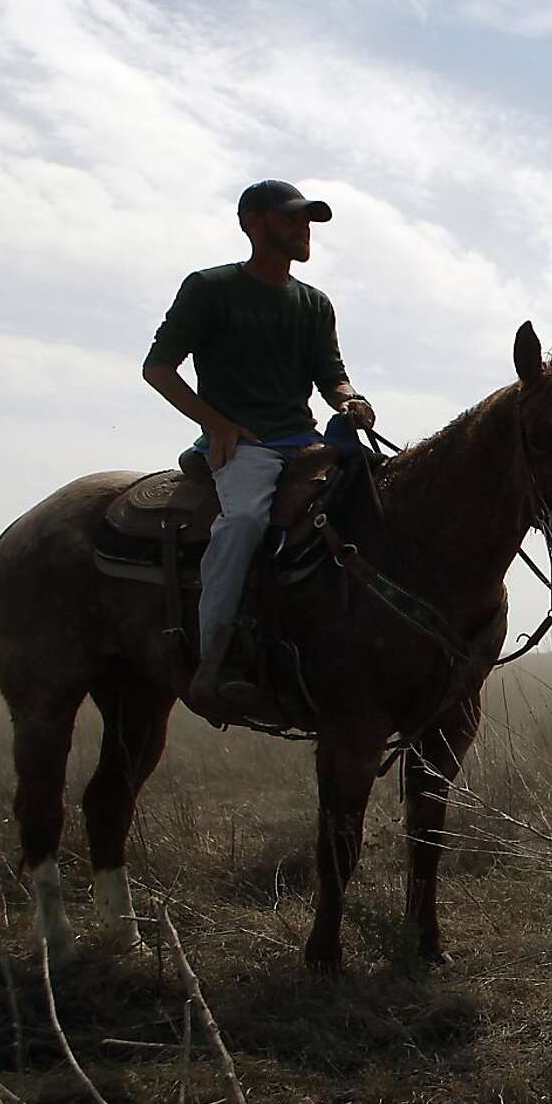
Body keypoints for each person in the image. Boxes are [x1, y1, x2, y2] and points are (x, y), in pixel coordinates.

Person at [143, 180, 377, 716]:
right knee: (244, 521)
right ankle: (216, 657)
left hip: (304, 442)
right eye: (292, 218)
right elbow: (158, 368)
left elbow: (331, 377)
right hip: (244, 444)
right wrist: (216, 424)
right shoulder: (210, 288)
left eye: (308, 220)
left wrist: (351, 401)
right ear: (253, 222)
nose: (304, 228)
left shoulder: (315, 304)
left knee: (376, 499)